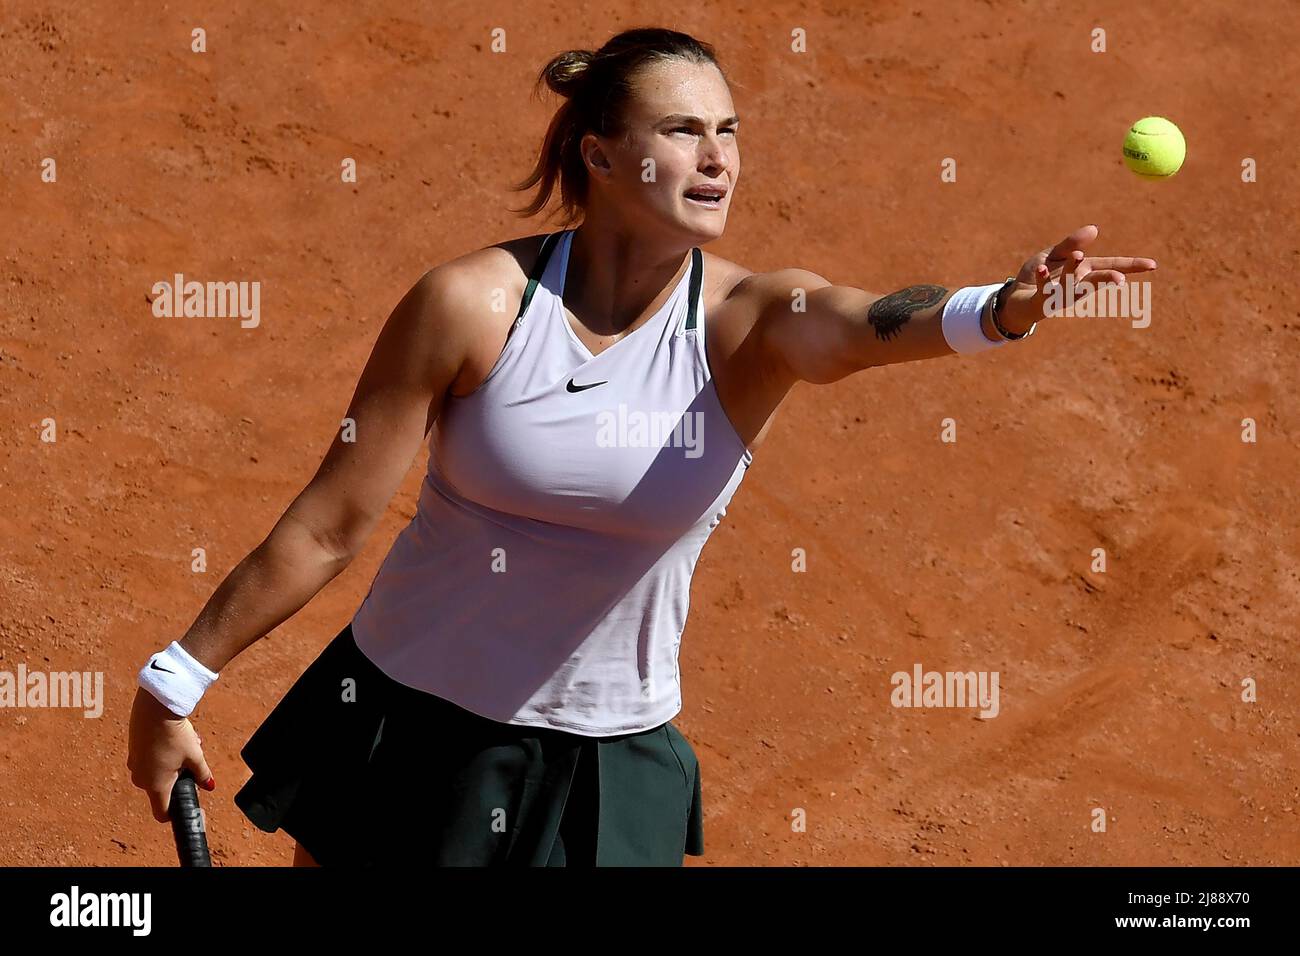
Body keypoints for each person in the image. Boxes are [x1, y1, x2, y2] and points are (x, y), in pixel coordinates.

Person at [127, 27, 1157, 866]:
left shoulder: (750, 320)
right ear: (602, 154)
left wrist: (1002, 306)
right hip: (411, 724)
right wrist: (175, 680)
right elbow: (330, 521)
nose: (717, 157)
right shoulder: (472, 302)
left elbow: (868, 319)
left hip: (608, 758)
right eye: (682, 130)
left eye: (728, 131)